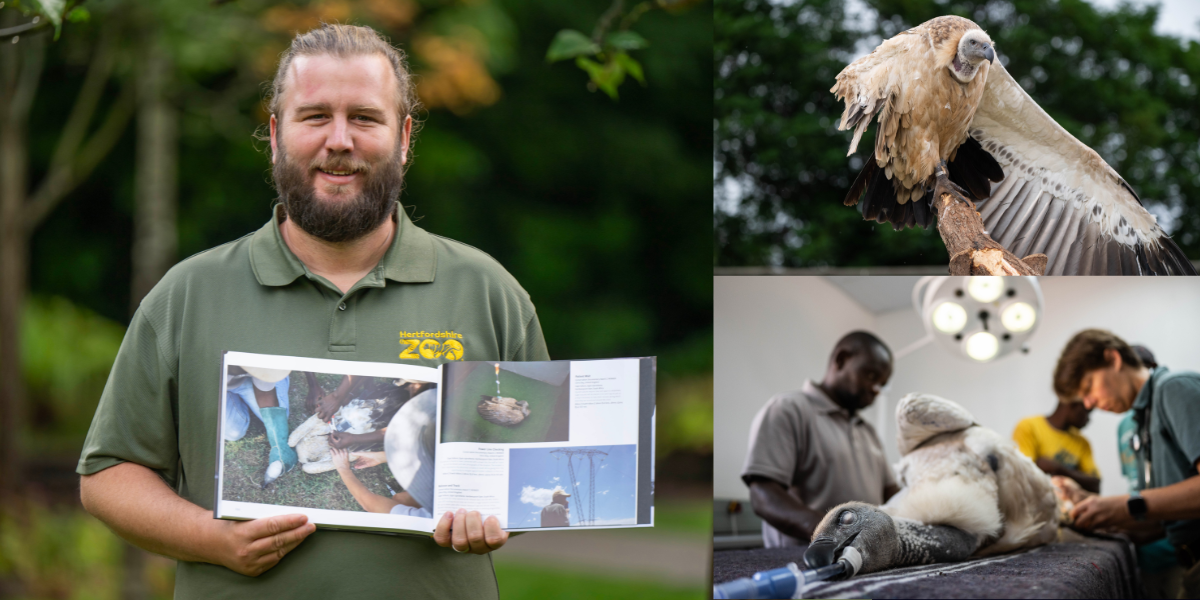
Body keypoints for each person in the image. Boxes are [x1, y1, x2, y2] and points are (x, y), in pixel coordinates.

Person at [76, 24, 548, 598]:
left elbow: (536, 472)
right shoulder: (187, 294)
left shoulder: (487, 292)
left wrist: (493, 517)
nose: (340, 140)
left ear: (404, 139)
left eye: (365, 118)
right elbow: (108, 475)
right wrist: (212, 538)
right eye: (316, 116)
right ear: (276, 135)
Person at [1055, 330, 1200, 598]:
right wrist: (1091, 505)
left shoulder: (1174, 387)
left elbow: (1143, 503)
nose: (1090, 403)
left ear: (1113, 359)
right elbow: (1167, 517)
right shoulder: (1144, 421)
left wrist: (1128, 505)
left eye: (1088, 387)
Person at [741, 330, 899, 547]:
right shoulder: (788, 410)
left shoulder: (868, 431)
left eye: (882, 384)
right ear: (841, 359)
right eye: (871, 376)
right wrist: (833, 534)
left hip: (861, 558)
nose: (876, 389)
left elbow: (892, 494)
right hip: (800, 563)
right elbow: (763, 494)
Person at [1012, 396, 1100, 493]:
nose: (1088, 419)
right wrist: (1076, 476)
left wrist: (1058, 469)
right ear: (1072, 404)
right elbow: (1022, 475)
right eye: (1087, 412)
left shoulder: (1082, 442)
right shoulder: (1029, 427)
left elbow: (1095, 485)